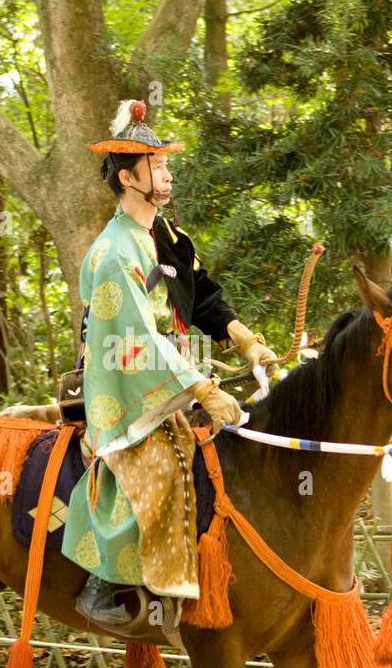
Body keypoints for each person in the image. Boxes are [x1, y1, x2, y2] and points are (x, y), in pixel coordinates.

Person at [61, 99, 279, 627]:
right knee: (160, 461)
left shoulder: (167, 238)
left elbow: (202, 296)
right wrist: (203, 389)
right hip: (123, 378)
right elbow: (134, 337)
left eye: (164, 164)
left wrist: (246, 341)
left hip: (176, 372)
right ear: (127, 178)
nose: (167, 173)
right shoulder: (115, 252)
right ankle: (105, 584)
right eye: (157, 166)